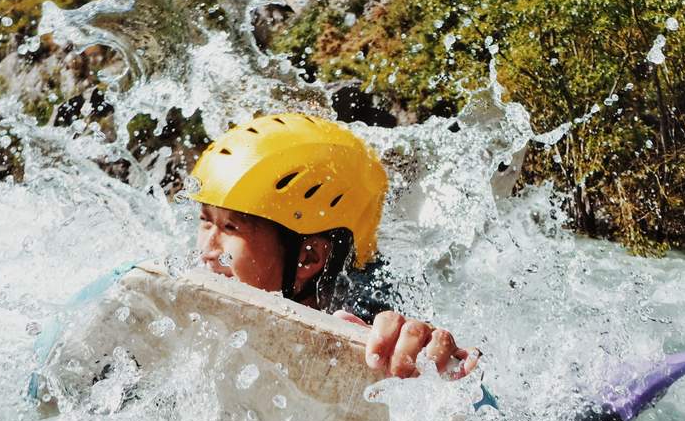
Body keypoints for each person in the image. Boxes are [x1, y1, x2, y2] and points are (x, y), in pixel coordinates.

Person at [186, 112, 480, 382]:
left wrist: (432, 365)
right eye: (205, 221)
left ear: (309, 257)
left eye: (230, 228)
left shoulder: (367, 320)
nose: (207, 249)